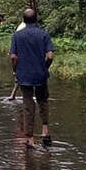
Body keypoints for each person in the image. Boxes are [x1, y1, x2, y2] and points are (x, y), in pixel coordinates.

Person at [9, 9, 55, 148]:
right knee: (43, 101)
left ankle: (29, 138)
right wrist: (45, 67)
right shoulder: (44, 34)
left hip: (24, 74)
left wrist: (15, 69)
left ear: (23, 20)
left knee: (28, 104)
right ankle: (45, 131)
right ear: (36, 19)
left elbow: (13, 57)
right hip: (40, 74)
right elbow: (50, 56)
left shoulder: (17, 36)